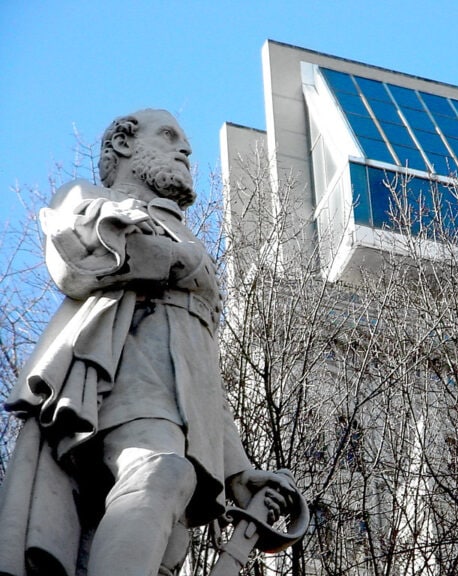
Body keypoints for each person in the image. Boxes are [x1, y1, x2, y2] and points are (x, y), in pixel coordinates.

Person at [0, 109, 297, 576]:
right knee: (162, 472)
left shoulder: (178, 231)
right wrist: (187, 262)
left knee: (163, 541)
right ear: (123, 143)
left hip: (179, 416)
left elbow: (203, 376)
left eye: (185, 142)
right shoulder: (87, 198)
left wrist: (236, 470)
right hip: (113, 383)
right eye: (169, 136)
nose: (185, 150)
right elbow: (87, 255)